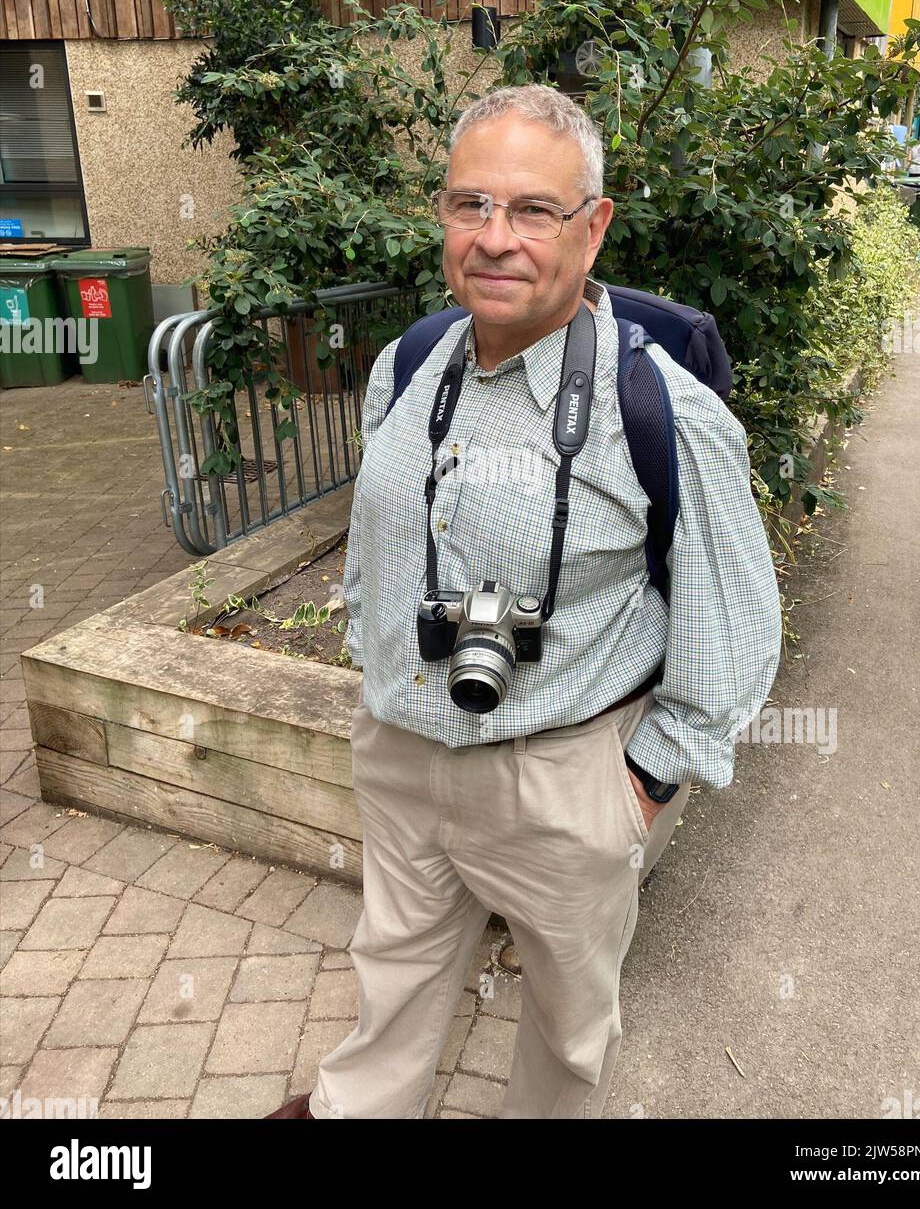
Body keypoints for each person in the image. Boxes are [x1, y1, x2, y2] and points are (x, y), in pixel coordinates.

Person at [265, 84, 782, 1121]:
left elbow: (736, 631)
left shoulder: (664, 413)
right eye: (471, 205)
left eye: (534, 211)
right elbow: (378, 540)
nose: (495, 239)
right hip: (403, 759)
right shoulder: (408, 365)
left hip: (565, 783)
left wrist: (637, 787)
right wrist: (376, 674)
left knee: (565, 1021)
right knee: (392, 970)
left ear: (593, 229)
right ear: (444, 218)